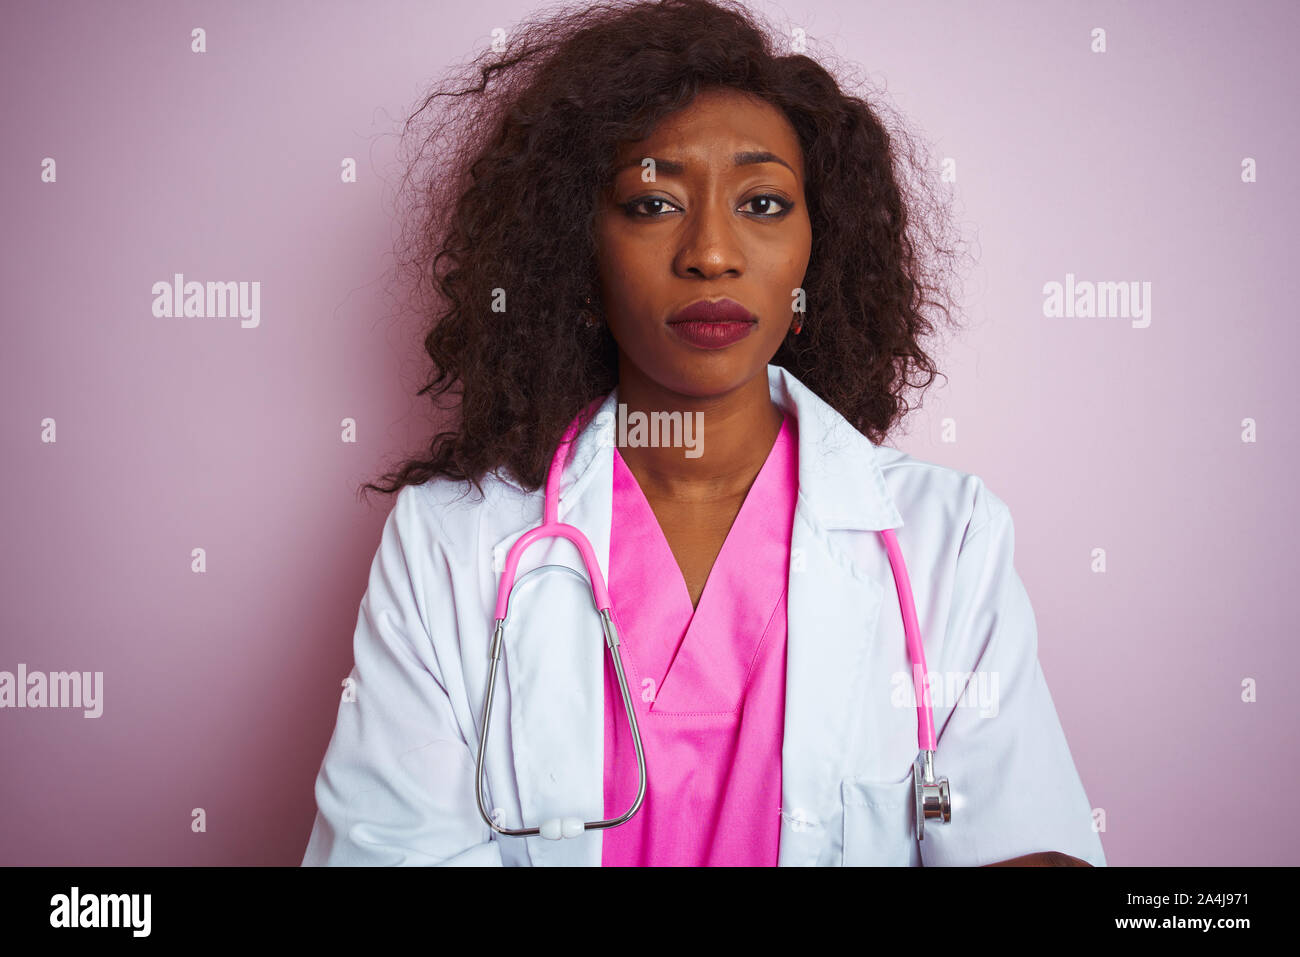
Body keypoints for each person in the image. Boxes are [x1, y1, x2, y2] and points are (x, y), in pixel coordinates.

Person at [301, 0, 1105, 867]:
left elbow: (1028, 846)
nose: (712, 253)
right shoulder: (451, 544)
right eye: (652, 203)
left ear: (815, 259)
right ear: (579, 259)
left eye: (763, 202)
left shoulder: (947, 538)